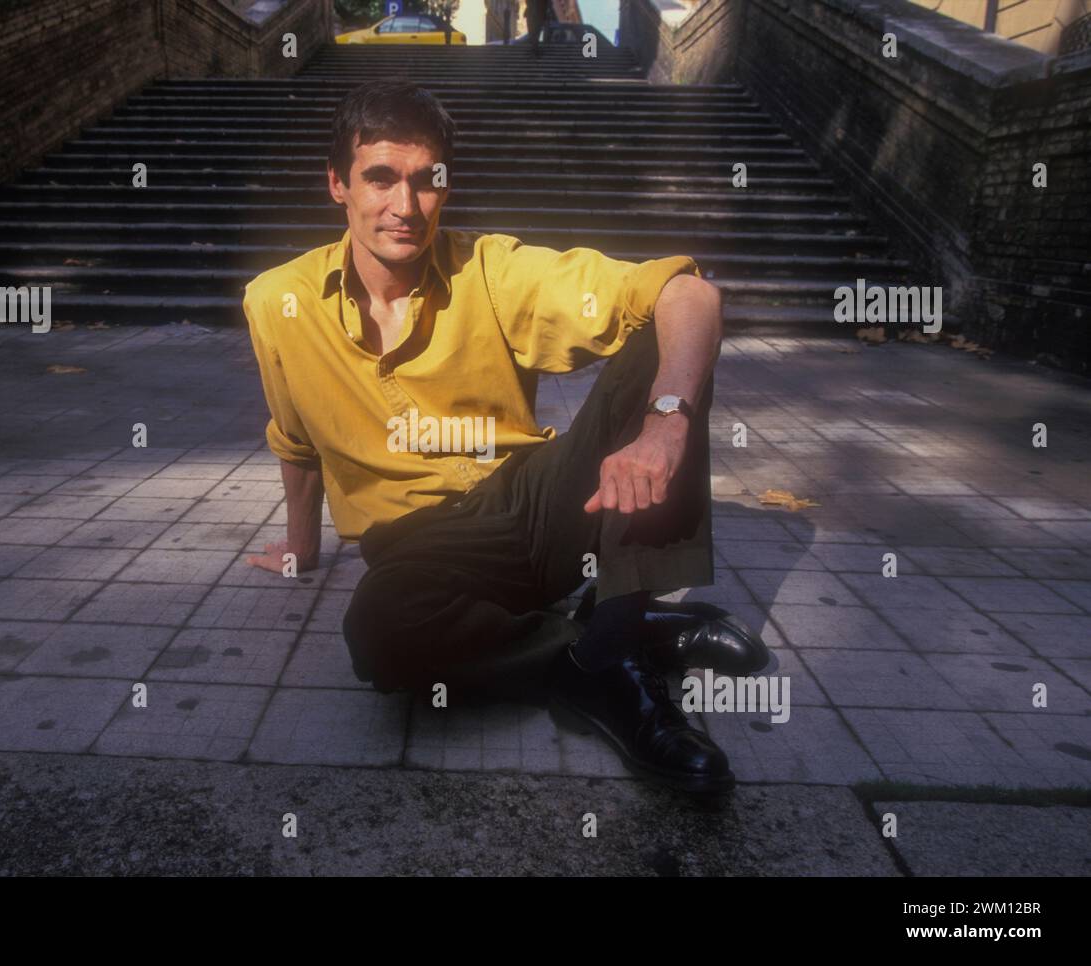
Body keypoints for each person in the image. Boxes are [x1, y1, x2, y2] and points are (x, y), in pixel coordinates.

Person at [241, 80, 768, 795]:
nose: (406, 205)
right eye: (381, 178)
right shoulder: (279, 302)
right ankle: (607, 653)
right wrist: (303, 547)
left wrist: (666, 421)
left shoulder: (489, 269)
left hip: (539, 505)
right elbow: (295, 437)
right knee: (381, 630)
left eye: (428, 181)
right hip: (420, 547)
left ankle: (617, 649)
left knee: (662, 348)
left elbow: (689, 293)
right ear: (337, 183)